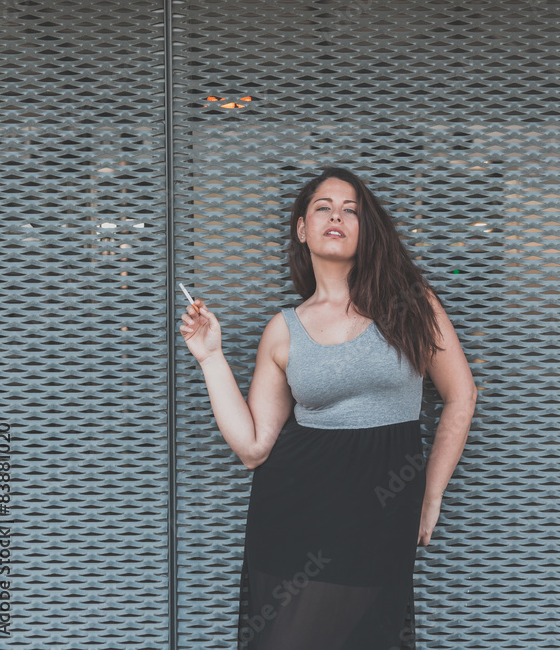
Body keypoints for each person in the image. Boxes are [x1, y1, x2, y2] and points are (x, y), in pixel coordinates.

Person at [179, 166, 478, 650]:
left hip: (384, 510)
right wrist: (211, 356)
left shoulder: (411, 303)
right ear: (302, 228)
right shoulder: (283, 329)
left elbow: (462, 396)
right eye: (323, 207)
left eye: (350, 210)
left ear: (366, 229)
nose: (336, 216)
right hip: (295, 516)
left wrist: (431, 494)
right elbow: (253, 448)